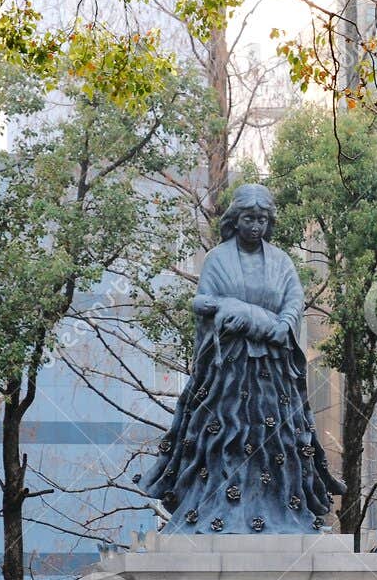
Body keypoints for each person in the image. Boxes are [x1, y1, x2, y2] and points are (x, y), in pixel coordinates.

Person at [141, 183, 344, 533]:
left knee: (278, 436)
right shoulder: (218, 258)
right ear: (236, 219)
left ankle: (281, 507)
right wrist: (234, 309)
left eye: (262, 220)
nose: (255, 226)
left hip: (271, 368)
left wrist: (279, 324)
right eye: (249, 218)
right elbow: (201, 302)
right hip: (229, 367)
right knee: (222, 433)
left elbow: (293, 301)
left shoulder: (280, 261)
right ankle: (213, 508)